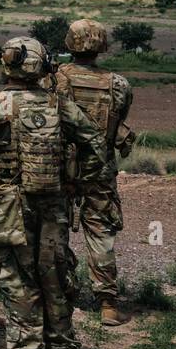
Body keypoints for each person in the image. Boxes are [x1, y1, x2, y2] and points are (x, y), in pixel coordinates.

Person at [0, 36, 108, 349]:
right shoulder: (60, 106)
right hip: (53, 205)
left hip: (7, 205)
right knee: (55, 276)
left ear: (8, 65)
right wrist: (79, 185)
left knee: (17, 280)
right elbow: (95, 143)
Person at [56, 19, 136, 326]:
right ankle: (107, 304)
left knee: (56, 232)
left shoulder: (54, 79)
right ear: (101, 45)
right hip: (99, 168)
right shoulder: (119, 84)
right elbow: (118, 120)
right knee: (101, 234)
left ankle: (61, 294)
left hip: (59, 168)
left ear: (70, 43)